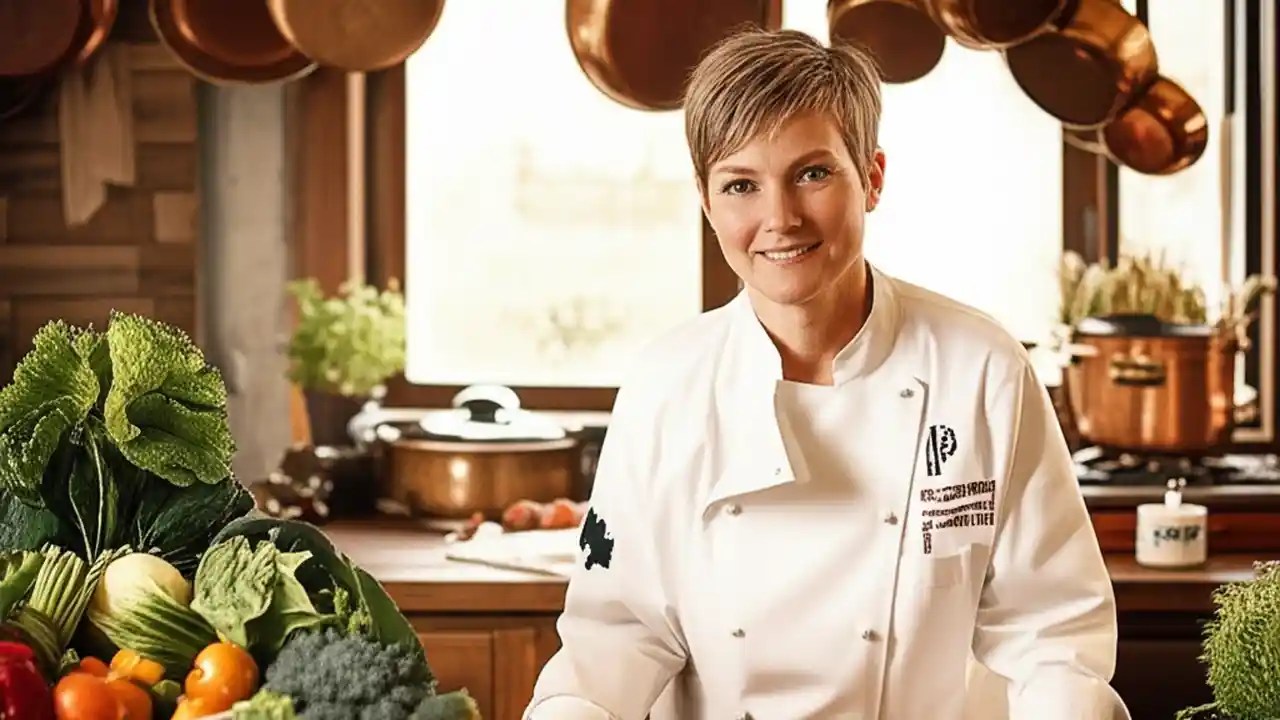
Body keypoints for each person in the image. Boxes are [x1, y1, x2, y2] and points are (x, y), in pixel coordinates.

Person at [525, 27, 1127, 720]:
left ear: (871, 177)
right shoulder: (668, 385)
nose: (779, 219)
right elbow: (619, 634)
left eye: (812, 173)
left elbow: (1050, 634)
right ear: (705, 199)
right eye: (741, 184)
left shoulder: (980, 367)